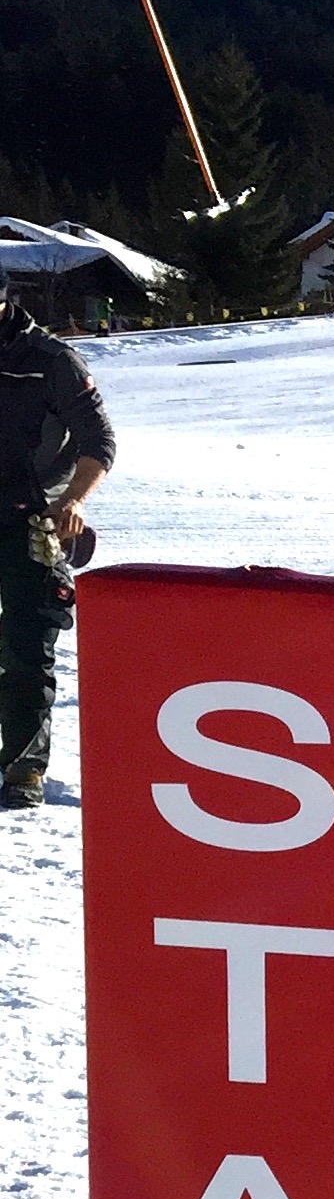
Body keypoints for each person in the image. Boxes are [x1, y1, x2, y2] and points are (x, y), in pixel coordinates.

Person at [0, 286, 115, 809]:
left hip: (33, 518)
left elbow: (98, 439)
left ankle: (24, 767)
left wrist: (73, 502)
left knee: (28, 644)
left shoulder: (51, 360)